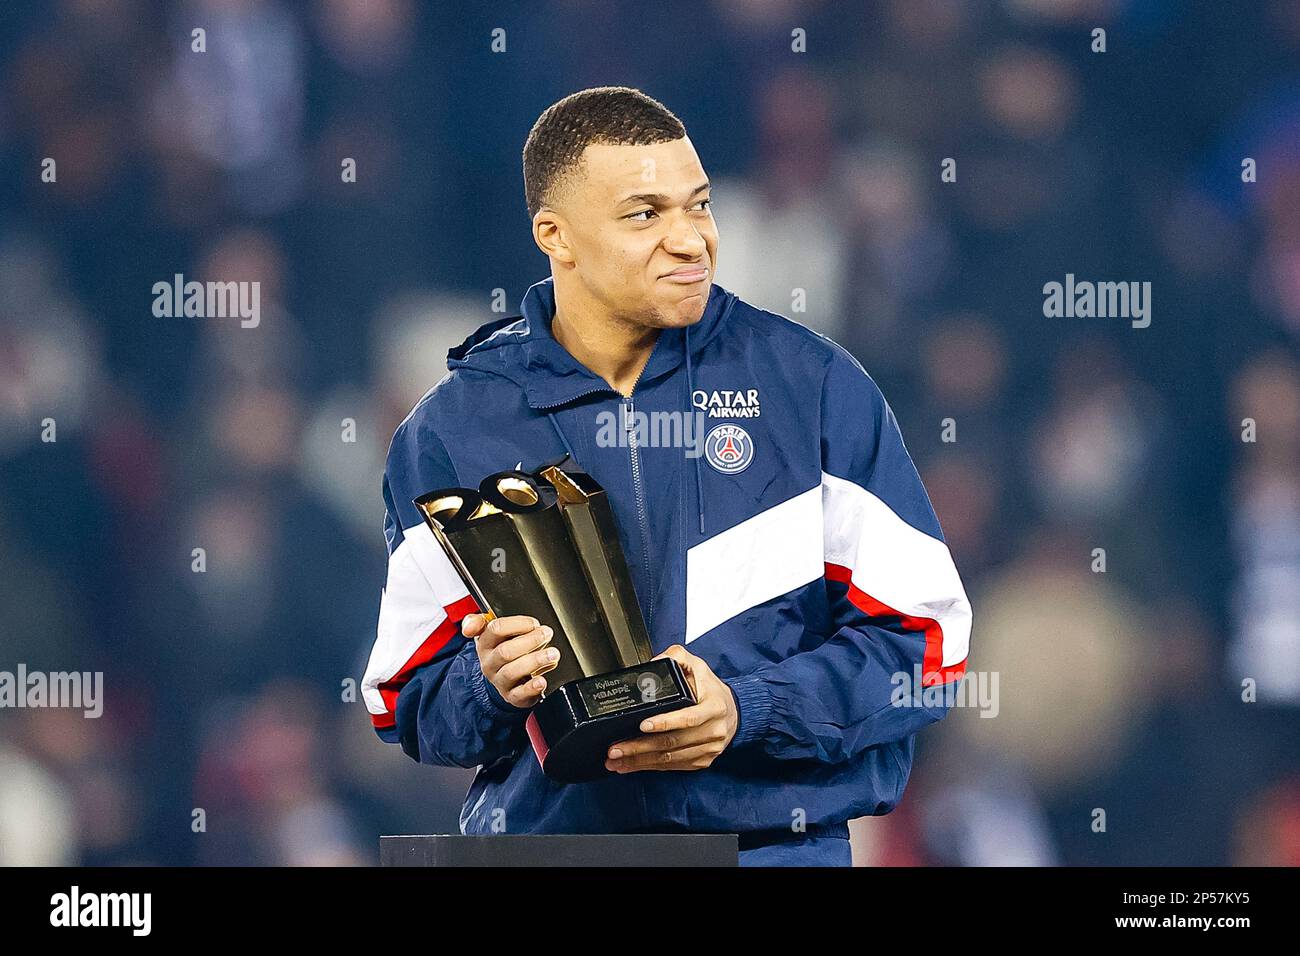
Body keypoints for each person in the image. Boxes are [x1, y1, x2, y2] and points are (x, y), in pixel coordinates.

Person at [362, 86, 972, 866]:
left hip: (767, 851)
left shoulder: (811, 385)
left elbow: (927, 645)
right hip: (552, 855)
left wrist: (748, 711)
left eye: (700, 205)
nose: (691, 241)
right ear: (557, 236)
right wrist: (488, 685)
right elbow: (408, 699)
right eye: (645, 214)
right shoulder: (453, 429)